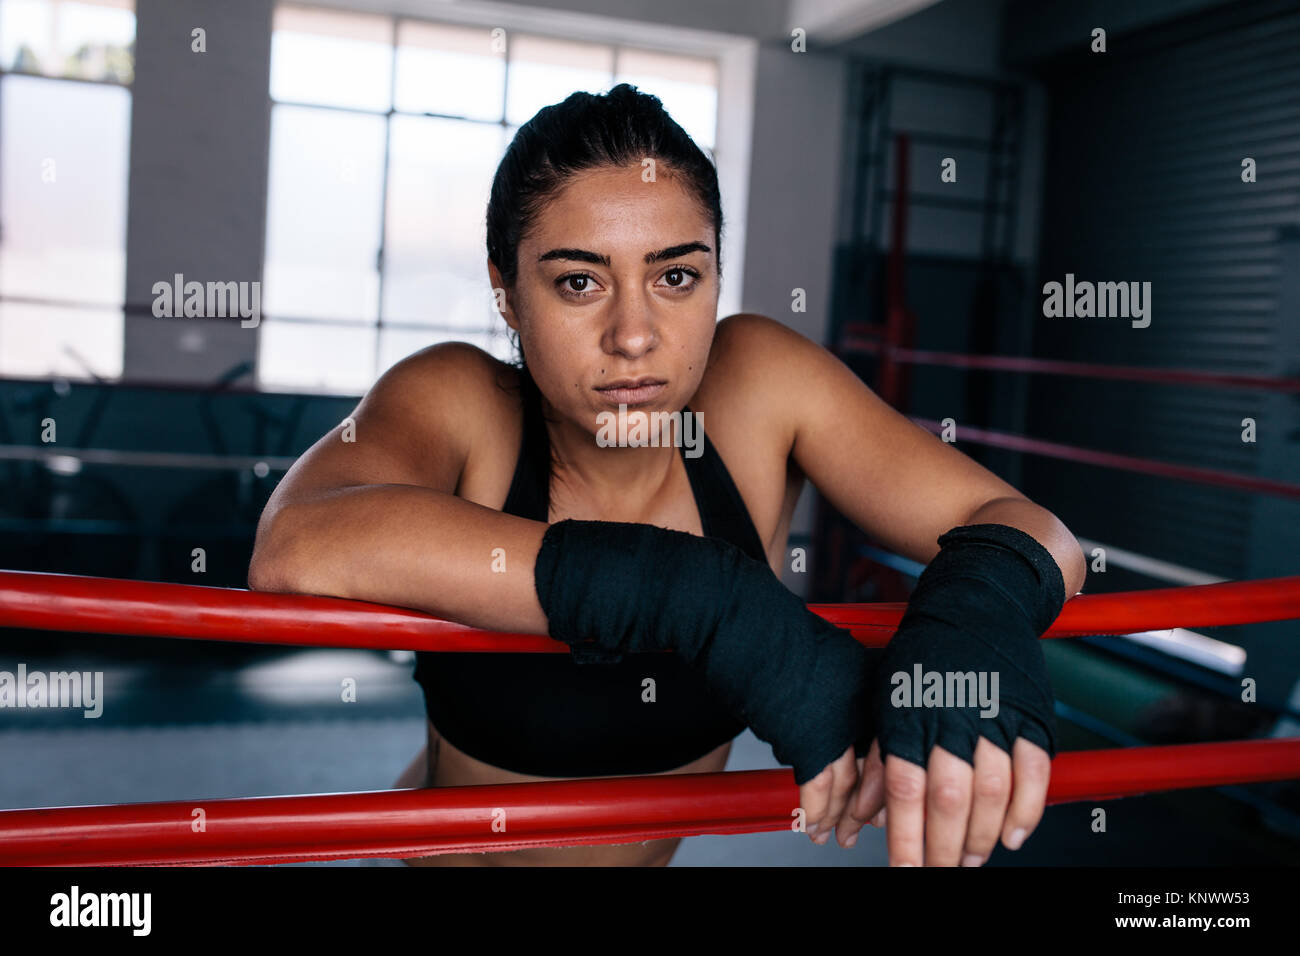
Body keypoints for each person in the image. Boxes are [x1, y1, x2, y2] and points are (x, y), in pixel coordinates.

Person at [248, 83, 1087, 867]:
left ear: (717, 271)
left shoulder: (757, 384)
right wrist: (706, 600)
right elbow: (295, 545)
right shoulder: (461, 397)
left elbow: (1029, 525)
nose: (635, 336)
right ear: (506, 292)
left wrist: (975, 617)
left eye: (676, 276)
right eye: (579, 282)